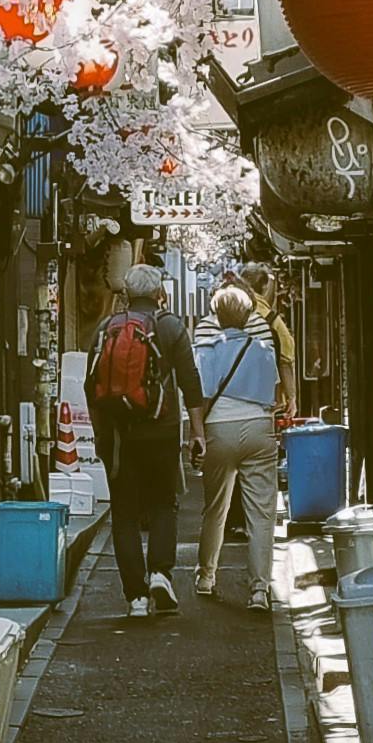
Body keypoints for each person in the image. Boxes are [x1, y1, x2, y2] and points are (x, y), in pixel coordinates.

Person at [86, 261, 204, 616]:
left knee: (123, 514)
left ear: (125, 294)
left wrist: (101, 435)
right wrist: (198, 433)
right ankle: (159, 574)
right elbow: (190, 381)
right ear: (159, 293)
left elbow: (92, 388)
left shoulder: (106, 328)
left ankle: (136, 597)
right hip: (162, 433)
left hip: (119, 437)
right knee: (162, 503)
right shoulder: (170, 327)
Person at [193, 280, 286, 610]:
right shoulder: (262, 349)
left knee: (215, 508)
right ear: (248, 315)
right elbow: (275, 394)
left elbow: (202, 395)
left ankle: (206, 575)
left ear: (216, 315)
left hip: (219, 428)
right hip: (259, 429)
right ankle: (259, 590)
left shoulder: (208, 350)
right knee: (261, 514)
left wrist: (196, 433)